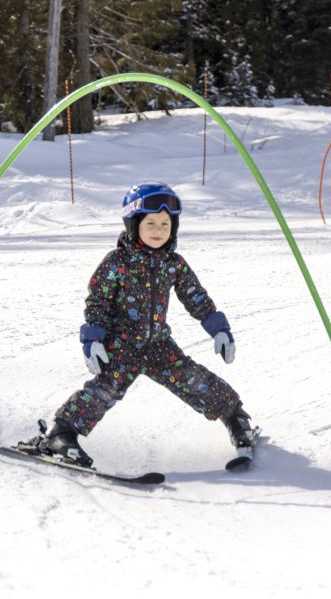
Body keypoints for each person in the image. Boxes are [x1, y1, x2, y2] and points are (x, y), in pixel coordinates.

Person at [34, 181, 255, 467]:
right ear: (133, 224)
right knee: (104, 390)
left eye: (165, 224)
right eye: (150, 223)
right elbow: (98, 302)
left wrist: (219, 329)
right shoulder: (117, 262)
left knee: (194, 380)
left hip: (158, 344)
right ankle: (61, 434)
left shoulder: (173, 263)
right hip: (122, 345)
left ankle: (237, 419)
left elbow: (196, 297)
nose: (158, 230)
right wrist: (93, 339)